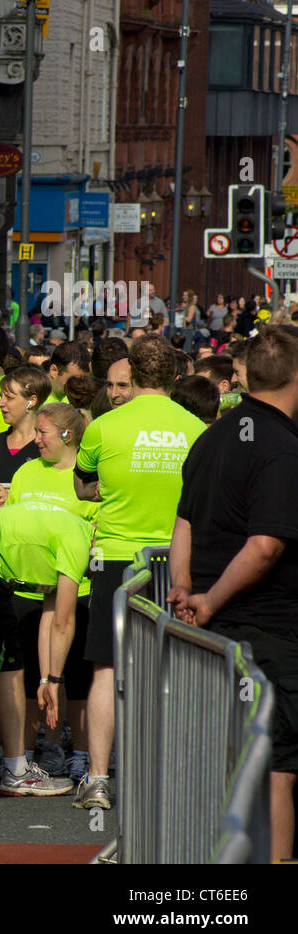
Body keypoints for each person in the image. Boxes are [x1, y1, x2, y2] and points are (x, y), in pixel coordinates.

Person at [169, 325, 298, 862]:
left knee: (231, 762)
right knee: (277, 769)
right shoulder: (280, 447)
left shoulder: (213, 436)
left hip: (214, 632)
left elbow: (183, 524)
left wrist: (182, 589)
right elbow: (265, 545)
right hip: (267, 631)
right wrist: (209, 598)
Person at [73, 334, 205, 811]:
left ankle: (99, 778)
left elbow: (83, 484)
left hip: (115, 557)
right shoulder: (196, 428)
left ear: (135, 377)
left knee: (106, 668)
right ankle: (172, 777)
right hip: (176, 560)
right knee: (174, 669)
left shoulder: (105, 426)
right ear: (173, 375)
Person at [0, 502, 90, 797]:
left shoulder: (64, 529)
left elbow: (50, 614)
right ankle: (6, 765)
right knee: (5, 668)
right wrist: (56, 682)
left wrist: (47, 679)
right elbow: (64, 622)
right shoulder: (78, 540)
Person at [0, 364, 49, 495]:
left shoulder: (47, 445)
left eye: (9, 397)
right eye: (1, 396)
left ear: (32, 401)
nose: (0, 403)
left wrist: (11, 497)